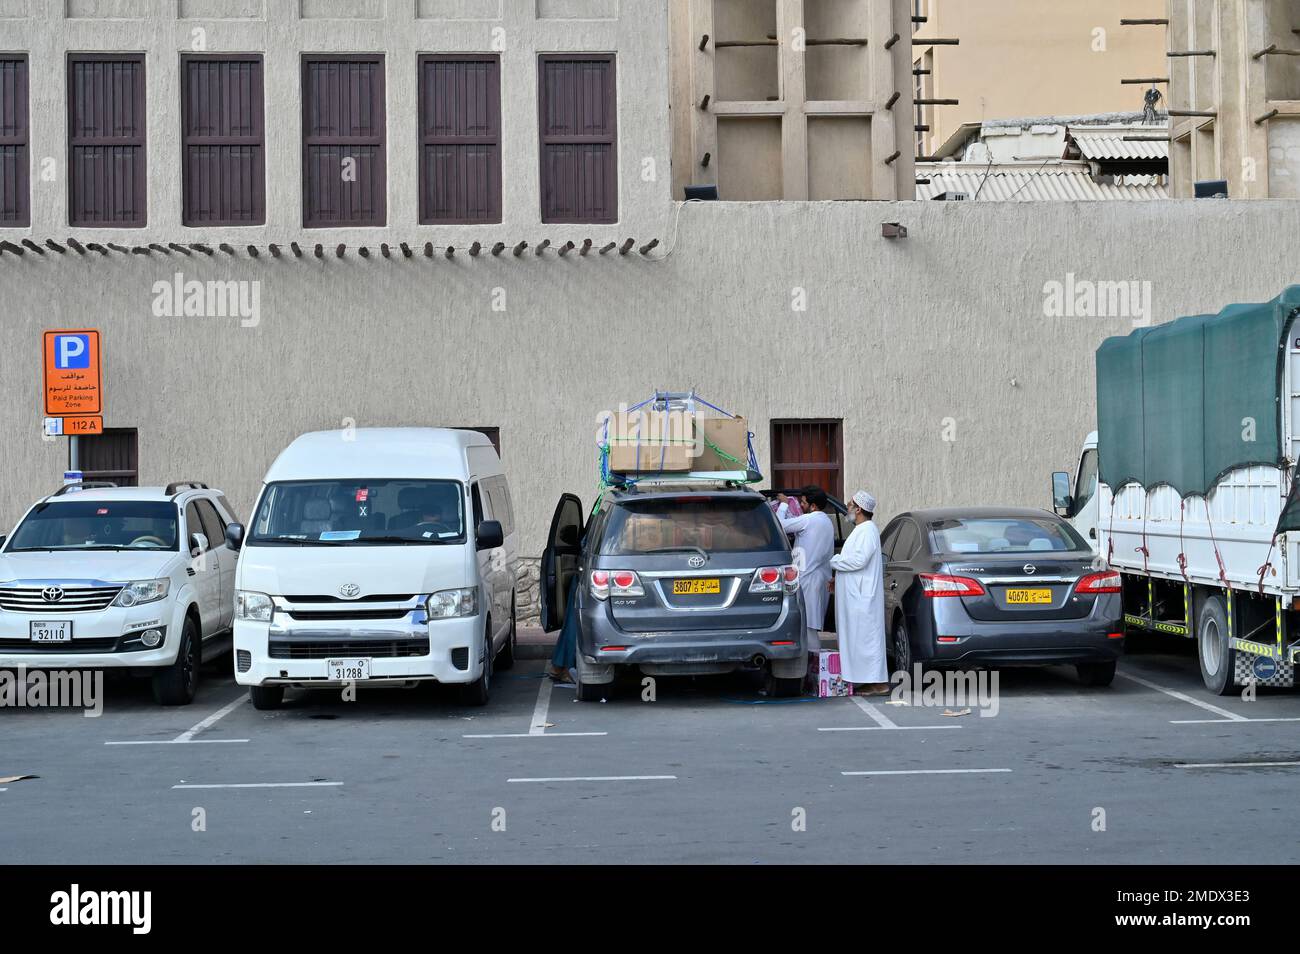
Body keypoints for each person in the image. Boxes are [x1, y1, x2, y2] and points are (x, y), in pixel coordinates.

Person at [830, 490, 889, 694]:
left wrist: (834, 561)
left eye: (849, 505)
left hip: (862, 597)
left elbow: (858, 560)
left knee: (866, 639)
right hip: (856, 596)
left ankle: (878, 683)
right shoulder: (861, 529)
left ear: (859, 509)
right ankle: (865, 679)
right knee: (858, 639)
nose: (847, 509)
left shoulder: (867, 530)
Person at [775, 487, 835, 653]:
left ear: (813, 506)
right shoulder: (826, 521)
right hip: (818, 580)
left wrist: (784, 505)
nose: (800, 505)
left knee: (808, 629)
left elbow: (779, 524)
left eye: (803, 502)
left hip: (808, 581)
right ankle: (813, 670)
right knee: (810, 627)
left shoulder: (810, 520)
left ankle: (814, 671)